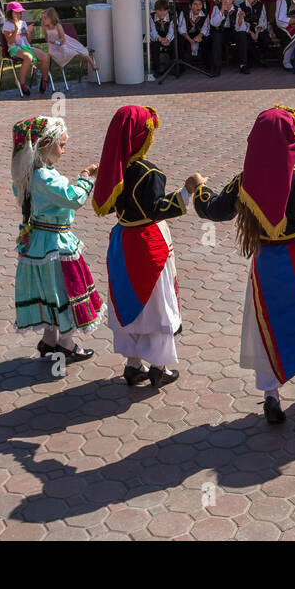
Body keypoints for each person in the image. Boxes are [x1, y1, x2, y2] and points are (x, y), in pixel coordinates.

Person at [193, 106, 295, 425]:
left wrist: (198, 190)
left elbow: (217, 210)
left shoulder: (245, 182)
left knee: (267, 329)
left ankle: (271, 396)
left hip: (267, 268)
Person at [93, 106, 198, 387]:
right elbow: (157, 209)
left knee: (128, 299)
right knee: (156, 303)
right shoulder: (148, 172)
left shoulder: (113, 168)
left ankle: (133, 363)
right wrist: (187, 190)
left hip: (122, 240)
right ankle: (159, 366)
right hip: (148, 243)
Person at [11, 116, 103, 363]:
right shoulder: (45, 177)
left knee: (48, 290)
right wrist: (85, 177)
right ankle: (65, 342)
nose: (63, 150)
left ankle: (50, 339)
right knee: (65, 290)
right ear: (45, 144)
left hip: (39, 241)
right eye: (61, 145)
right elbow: (73, 199)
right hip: (55, 244)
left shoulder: (32, 172)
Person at [1, 2, 51, 93]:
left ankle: (44, 81)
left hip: (26, 47)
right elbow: (10, 42)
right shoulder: (7, 25)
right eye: (16, 12)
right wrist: (16, 29)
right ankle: (22, 83)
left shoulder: (23, 23)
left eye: (20, 13)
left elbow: (29, 41)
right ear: (10, 13)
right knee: (28, 57)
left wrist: (28, 32)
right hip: (14, 49)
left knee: (45, 57)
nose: (19, 14)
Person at [40, 7, 98, 74]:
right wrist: (50, 40)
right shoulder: (45, 28)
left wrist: (56, 41)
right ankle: (62, 63)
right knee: (56, 52)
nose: (43, 20)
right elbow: (47, 38)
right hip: (53, 46)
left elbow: (63, 39)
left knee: (80, 49)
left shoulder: (57, 26)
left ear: (51, 18)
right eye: (42, 18)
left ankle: (92, 64)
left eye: (45, 18)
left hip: (65, 42)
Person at [234, 0, 271, 74]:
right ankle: (251, 60)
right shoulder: (241, 6)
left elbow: (263, 20)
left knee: (265, 37)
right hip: (247, 30)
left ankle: (261, 58)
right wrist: (251, 32)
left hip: (258, 29)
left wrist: (257, 32)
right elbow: (242, 22)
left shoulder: (260, 5)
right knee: (246, 40)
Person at [208, 0, 240, 77]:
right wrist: (222, 9)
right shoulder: (216, 8)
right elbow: (214, 23)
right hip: (221, 31)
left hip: (232, 31)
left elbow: (240, 27)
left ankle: (243, 64)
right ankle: (217, 67)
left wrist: (240, 19)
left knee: (242, 35)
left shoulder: (237, 9)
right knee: (216, 37)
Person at [179, 0, 211, 70]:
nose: (198, 7)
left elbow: (206, 28)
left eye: (200, 4)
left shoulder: (205, 13)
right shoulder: (184, 13)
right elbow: (181, 29)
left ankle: (208, 65)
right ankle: (181, 67)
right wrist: (191, 41)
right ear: (190, 6)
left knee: (208, 39)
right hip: (186, 34)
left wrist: (200, 36)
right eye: (195, 4)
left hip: (198, 32)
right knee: (179, 40)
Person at [149, 0, 179, 76]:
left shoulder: (172, 16)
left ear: (168, 10)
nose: (162, 13)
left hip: (168, 37)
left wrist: (167, 39)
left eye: (164, 10)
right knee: (154, 46)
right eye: (159, 10)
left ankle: (173, 67)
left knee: (174, 44)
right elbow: (152, 31)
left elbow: (172, 31)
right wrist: (160, 39)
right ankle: (156, 68)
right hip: (157, 37)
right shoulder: (151, 16)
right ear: (155, 10)